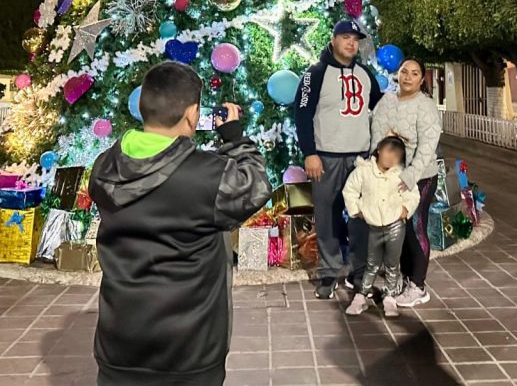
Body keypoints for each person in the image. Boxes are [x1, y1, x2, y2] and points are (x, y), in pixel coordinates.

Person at [89, 62, 271, 386]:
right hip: (189, 352)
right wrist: (234, 135)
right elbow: (255, 186)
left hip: (120, 347)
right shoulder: (206, 176)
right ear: (192, 114)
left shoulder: (104, 167)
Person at [294, 19, 382, 299]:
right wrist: (310, 153)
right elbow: (302, 114)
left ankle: (358, 273)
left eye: (355, 39)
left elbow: (379, 110)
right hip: (326, 158)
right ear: (333, 40)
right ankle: (329, 273)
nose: (351, 43)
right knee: (328, 217)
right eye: (345, 37)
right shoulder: (315, 74)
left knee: (360, 218)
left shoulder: (366, 74)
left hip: (359, 158)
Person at [370, 57, 442, 308]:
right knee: (397, 230)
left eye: (414, 73)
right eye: (404, 72)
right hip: (392, 176)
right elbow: (377, 132)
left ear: (422, 79)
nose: (408, 77)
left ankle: (418, 286)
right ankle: (400, 280)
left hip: (420, 177)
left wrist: (410, 176)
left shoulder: (426, 106)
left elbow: (427, 146)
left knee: (415, 227)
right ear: (397, 74)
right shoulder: (387, 100)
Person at [342, 136, 420, 318]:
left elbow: (413, 193)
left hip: (395, 226)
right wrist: (357, 210)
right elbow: (350, 190)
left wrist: (405, 209)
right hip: (373, 226)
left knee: (393, 264)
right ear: (378, 150)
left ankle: (390, 297)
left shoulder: (401, 174)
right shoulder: (364, 171)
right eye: (388, 152)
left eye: (396, 156)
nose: (390, 159)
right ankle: (361, 296)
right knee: (371, 263)